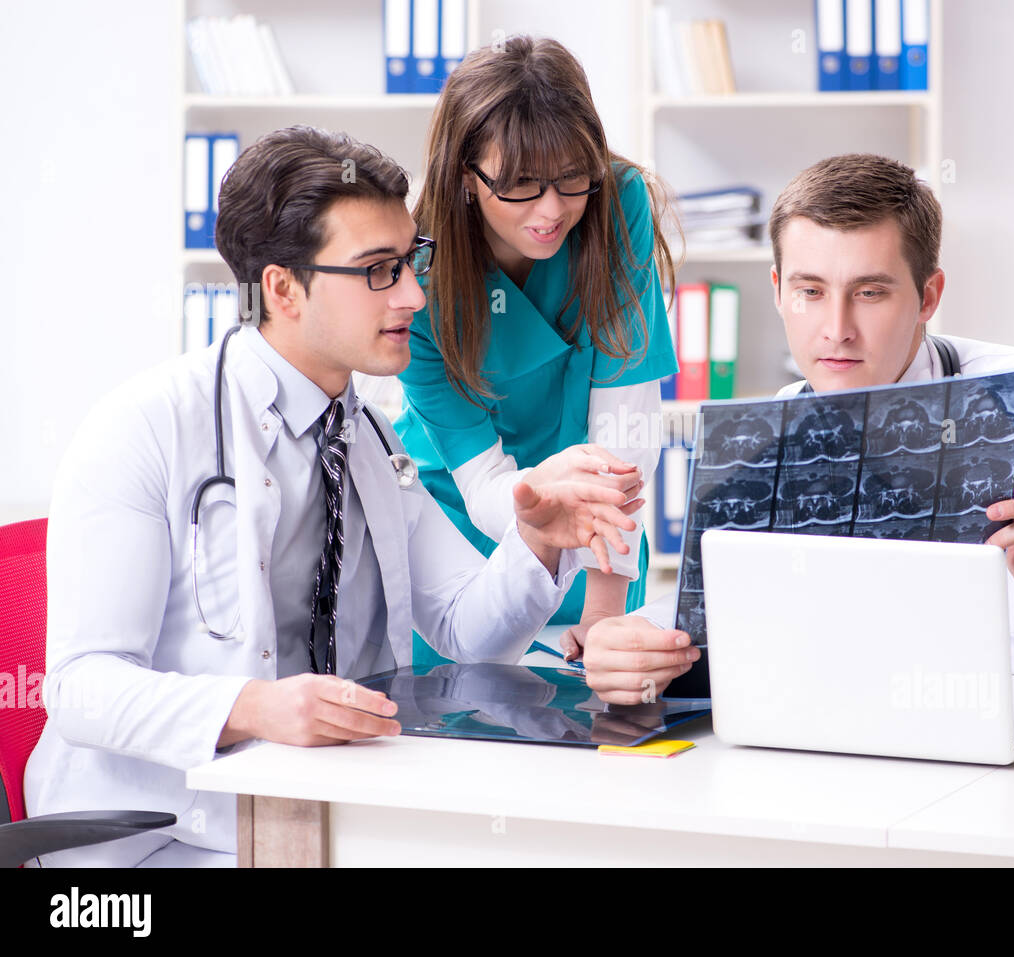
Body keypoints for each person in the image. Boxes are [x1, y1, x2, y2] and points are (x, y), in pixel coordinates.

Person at [24, 126, 638, 866]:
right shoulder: (145, 429)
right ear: (283, 288)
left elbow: (465, 632)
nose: (414, 294)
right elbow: (81, 688)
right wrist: (255, 707)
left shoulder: (369, 439)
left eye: (411, 260)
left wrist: (537, 538)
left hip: (312, 816)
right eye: (378, 270)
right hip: (151, 836)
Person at [578, 153, 1014, 703]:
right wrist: (634, 639)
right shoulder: (775, 429)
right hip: (879, 744)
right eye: (810, 291)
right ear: (777, 290)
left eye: (870, 292)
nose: (836, 330)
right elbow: (719, 601)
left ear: (929, 296)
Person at [394, 36, 678, 663]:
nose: (552, 210)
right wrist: (547, 516)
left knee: (602, 702)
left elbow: (626, 427)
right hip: (467, 539)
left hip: (602, 546)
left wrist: (603, 609)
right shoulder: (416, 282)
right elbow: (483, 481)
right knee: (459, 705)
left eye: (572, 176)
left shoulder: (615, 204)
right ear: (466, 176)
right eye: (520, 183)